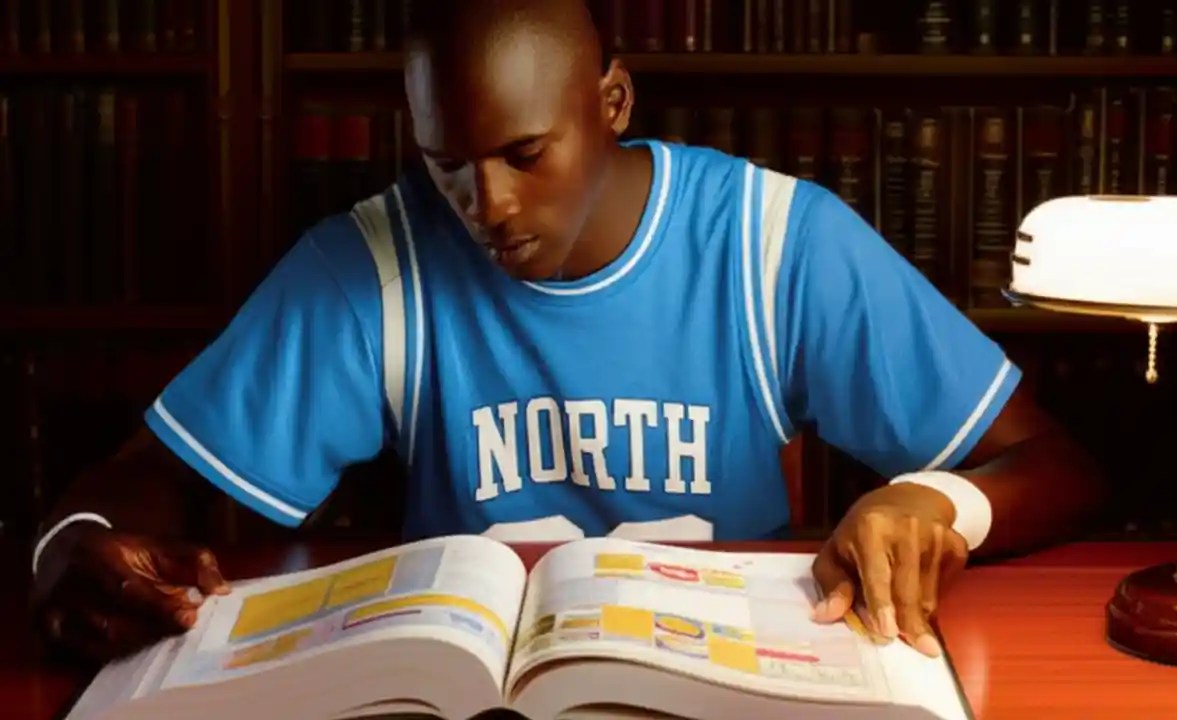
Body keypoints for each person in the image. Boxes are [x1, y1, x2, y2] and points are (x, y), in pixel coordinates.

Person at [29, 0, 1103, 667]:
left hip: (729, 681)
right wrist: (68, 545)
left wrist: (937, 500)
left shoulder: (776, 244)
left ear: (613, 98)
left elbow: (1053, 465)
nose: (483, 204)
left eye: (522, 153)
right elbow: (150, 479)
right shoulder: (376, 261)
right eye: (446, 163)